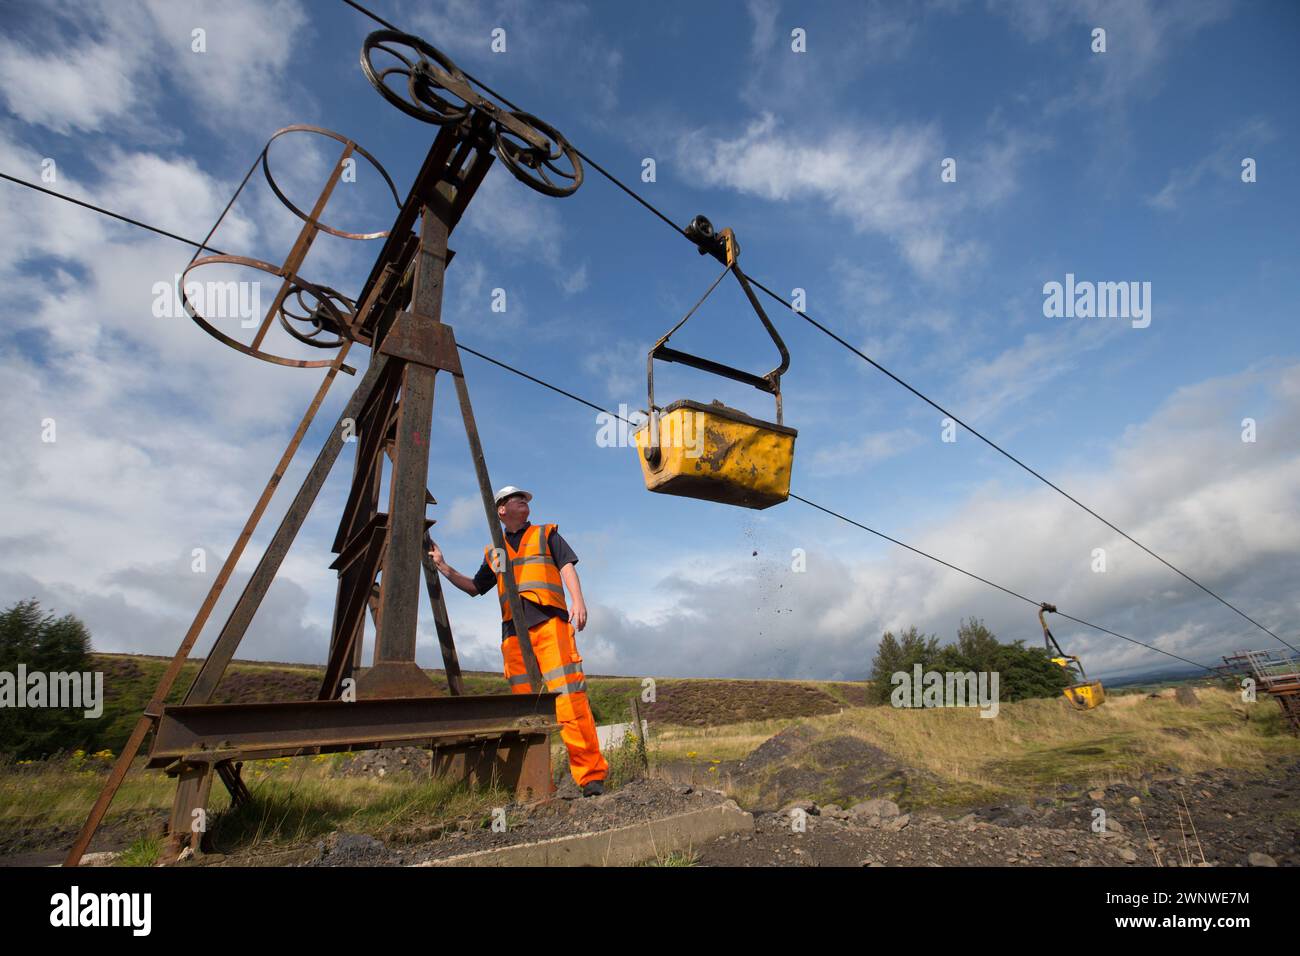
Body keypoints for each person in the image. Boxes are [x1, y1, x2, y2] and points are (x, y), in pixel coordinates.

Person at [427, 486, 609, 796]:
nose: (525, 502)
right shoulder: (494, 552)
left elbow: (566, 566)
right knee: (525, 711)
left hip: (549, 624)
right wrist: (443, 566)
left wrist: (578, 601)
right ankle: (536, 784)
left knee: (568, 698)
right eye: (518, 499)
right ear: (501, 510)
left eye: (525, 499)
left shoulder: (545, 534)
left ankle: (591, 777)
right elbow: (474, 587)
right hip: (513, 635)